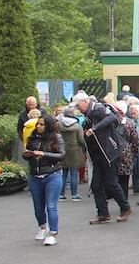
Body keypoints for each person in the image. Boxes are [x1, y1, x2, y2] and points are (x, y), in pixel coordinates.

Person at [72, 92, 132, 224]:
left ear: (85, 102)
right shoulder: (88, 115)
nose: (77, 109)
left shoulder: (98, 108)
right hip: (99, 154)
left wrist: (95, 129)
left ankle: (125, 208)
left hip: (110, 152)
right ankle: (103, 213)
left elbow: (112, 118)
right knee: (96, 185)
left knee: (111, 182)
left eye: (78, 105)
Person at [23, 115, 65, 246]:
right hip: (36, 175)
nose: (38, 127)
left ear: (48, 125)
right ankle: (42, 227)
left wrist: (44, 154)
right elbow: (26, 153)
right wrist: (27, 155)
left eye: (41, 124)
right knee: (38, 206)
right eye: (38, 124)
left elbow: (61, 155)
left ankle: (53, 233)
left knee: (51, 206)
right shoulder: (32, 138)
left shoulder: (56, 138)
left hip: (52, 174)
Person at [57, 106, 87, 201]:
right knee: (74, 173)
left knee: (63, 173)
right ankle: (74, 195)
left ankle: (61, 194)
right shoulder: (78, 126)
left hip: (62, 150)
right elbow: (81, 140)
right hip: (75, 151)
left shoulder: (58, 125)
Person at [112, 101, 139, 201]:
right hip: (126, 153)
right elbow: (135, 139)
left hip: (113, 153)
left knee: (114, 178)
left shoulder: (110, 122)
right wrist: (135, 152)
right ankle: (124, 201)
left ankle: (118, 199)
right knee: (124, 179)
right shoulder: (130, 123)